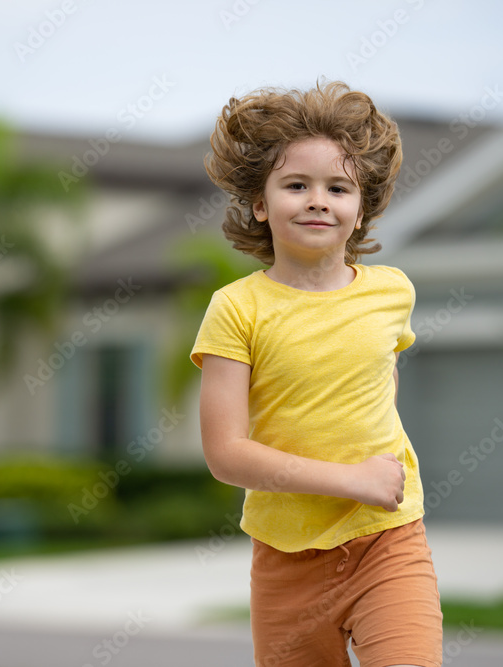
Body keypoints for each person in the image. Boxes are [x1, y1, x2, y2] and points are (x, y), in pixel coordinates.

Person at [190, 81, 443, 667]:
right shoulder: (236, 308)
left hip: (388, 539)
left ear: (361, 210)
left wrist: (377, 472)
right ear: (260, 203)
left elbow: (379, 384)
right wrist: (351, 478)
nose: (317, 200)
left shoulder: (391, 292)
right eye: (296, 185)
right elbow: (225, 453)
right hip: (286, 557)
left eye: (338, 187)